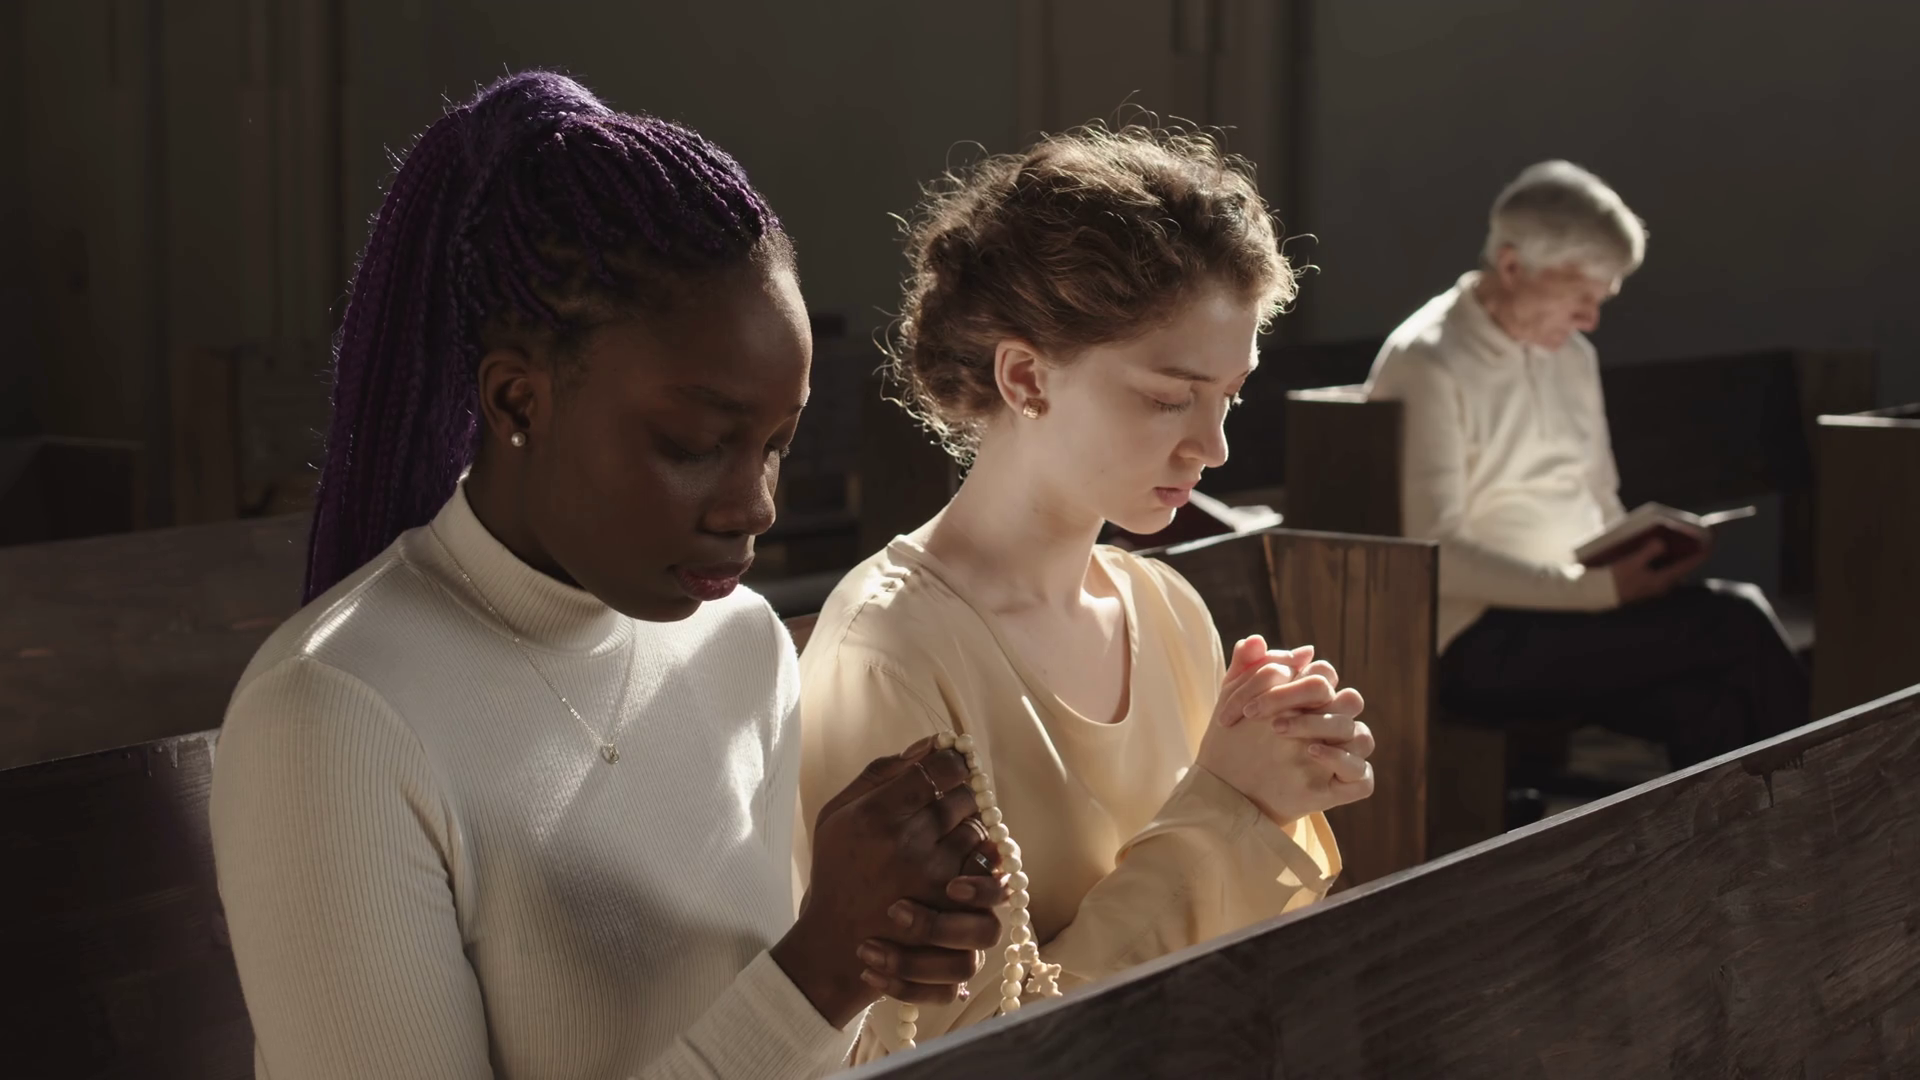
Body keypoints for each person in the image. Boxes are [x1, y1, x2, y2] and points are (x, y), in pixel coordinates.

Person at [210, 72, 1006, 1080]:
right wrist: (818, 974)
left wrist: (876, 954)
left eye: (775, 444)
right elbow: (776, 1012)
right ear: (517, 400)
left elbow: (771, 1047)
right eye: (692, 443)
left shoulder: (740, 644)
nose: (754, 505)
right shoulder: (333, 716)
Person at [797, 125, 1377, 1063]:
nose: (1213, 447)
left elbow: (1235, 968)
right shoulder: (891, 650)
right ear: (1026, 377)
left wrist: (1281, 783)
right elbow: (974, 1049)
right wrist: (1233, 807)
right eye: (1166, 397)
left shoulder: (1166, 607)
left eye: (1229, 395)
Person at [1365, 160, 1810, 770]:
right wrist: (1598, 588)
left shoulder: (1573, 358)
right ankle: (1845, 816)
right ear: (1514, 265)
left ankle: (1742, 862)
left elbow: (1600, 500)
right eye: (1580, 296)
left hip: (1579, 616)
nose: (1591, 319)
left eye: (1601, 299)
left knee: (1712, 706)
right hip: (1476, 639)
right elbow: (1434, 552)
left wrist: (1642, 556)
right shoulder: (1430, 361)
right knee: (1736, 621)